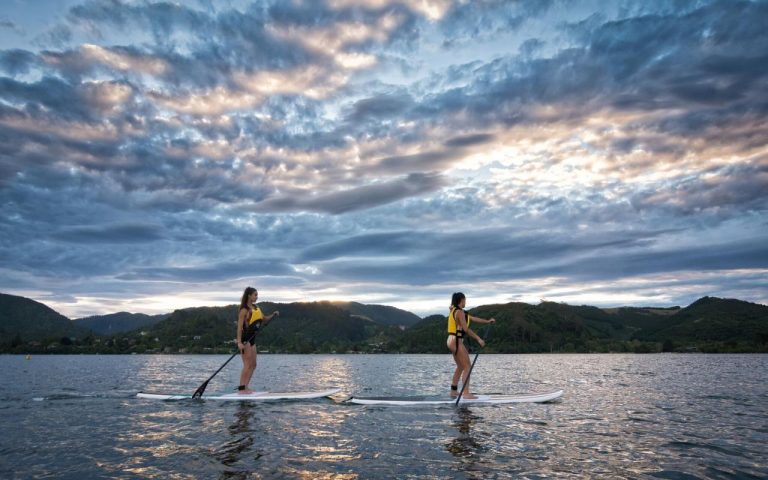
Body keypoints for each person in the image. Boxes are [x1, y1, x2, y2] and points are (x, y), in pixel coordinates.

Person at [447, 292, 495, 399]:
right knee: (467, 366)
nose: (465, 302)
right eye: (465, 300)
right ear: (461, 300)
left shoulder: (456, 311)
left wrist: (488, 321)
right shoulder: (459, 312)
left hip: (451, 340)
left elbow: (474, 319)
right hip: (456, 341)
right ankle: (466, 393)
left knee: (460, 366)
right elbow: (466, 329)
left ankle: (453, 391)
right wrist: (479, 339)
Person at [236, 286, 279, 394]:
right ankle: (241, 389)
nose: (257, 297)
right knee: (247, 364)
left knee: (254, 364)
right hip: (246, 340)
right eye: (255, 295)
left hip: (253, 340)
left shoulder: (256, 308)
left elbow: (264, 319)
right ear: (249, 295)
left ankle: (246, 386)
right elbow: (239, 328)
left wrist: (273, 315)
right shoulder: (244, 310)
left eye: (257, 295)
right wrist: (239, 342)